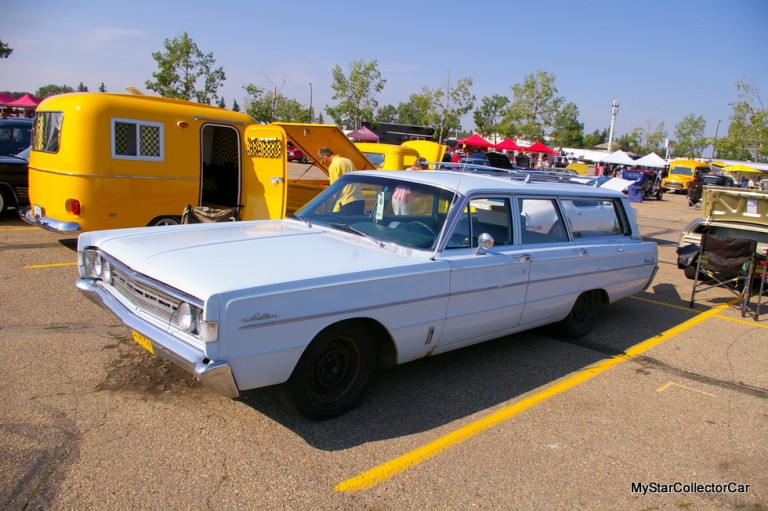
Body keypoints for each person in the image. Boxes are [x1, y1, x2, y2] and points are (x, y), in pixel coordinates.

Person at [317, 147, 364, 214]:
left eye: (322, 160)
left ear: (324, 157)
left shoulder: (333, 166)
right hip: (359, 199)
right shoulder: (347, 160)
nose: (323, 163)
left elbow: (335, 188)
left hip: (346, 201)